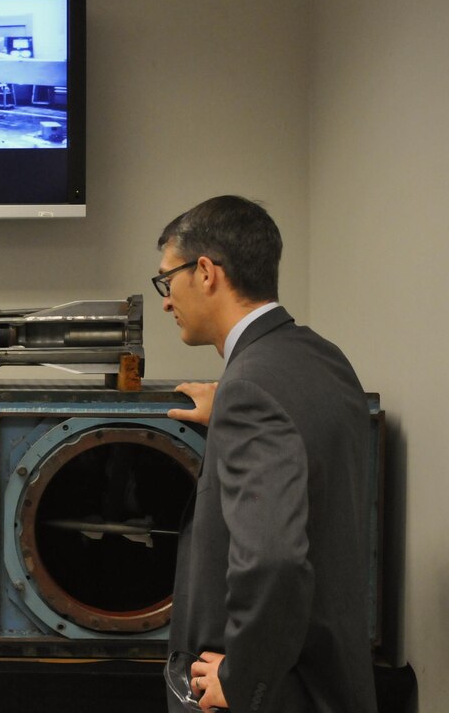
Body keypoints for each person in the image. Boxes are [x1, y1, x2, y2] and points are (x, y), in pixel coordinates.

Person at [153, 195, 377, 712]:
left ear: (205, 272)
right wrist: (226, 404)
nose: (166, 300)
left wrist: (243, 675)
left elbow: (274, 558)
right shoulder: (319, 357)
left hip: (272, 695)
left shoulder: (251, 388)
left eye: (168, 280)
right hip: (331, 683)